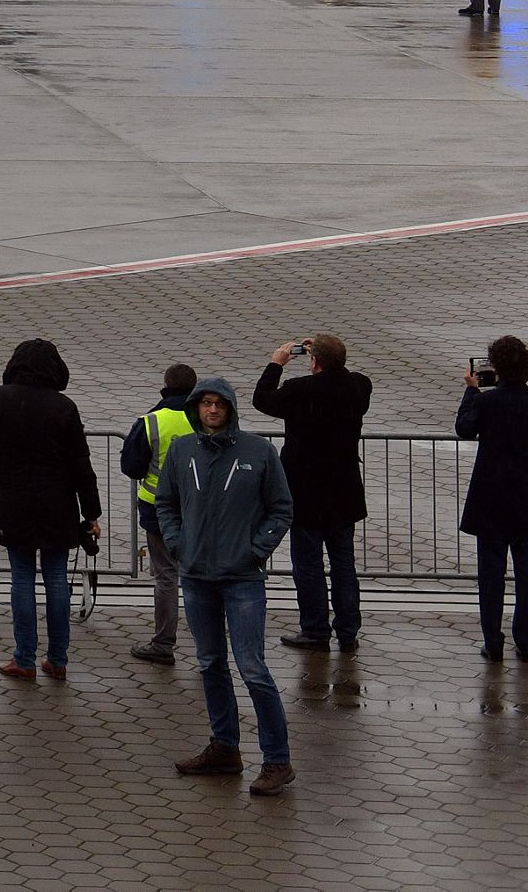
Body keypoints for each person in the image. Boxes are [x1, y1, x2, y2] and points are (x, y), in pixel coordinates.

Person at [155, 374, 294, 795]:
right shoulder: (182, 451)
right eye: (205, 403)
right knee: (210, 663)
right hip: (196, 576)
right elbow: (166, 502)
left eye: (219, 404)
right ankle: (224, 747)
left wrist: (257, 550)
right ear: (196, 408)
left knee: (252, 667)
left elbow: (281, 508)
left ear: (231, 409)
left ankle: (277, 760)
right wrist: (178, 543)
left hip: (242, 579)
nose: (212, 410)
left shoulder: (259, 452)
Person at [0, 338, 99, 681]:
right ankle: (57, 659)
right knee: (55, 579)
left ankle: (23, 659)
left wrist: (3, 475)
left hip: (14, 501)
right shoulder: (64, 407)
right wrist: (92, 513)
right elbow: (81, 464)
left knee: (21, 577)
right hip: (59, 504)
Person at [254, 334, 373, 651]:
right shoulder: (359, 387)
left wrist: (276, 364)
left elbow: (262, 399)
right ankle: (348, 632)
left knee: (308, 564)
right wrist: (324, 351)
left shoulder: (299, 390)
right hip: (344, 491)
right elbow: (346, 376)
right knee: (343, 564)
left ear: (314, 361)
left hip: (305, 490)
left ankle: (316, 630)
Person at [455, 334, 528, 664]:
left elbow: (465, 429)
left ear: (494, 367)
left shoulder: (486, 402)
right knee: (525, 574)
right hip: (526, 493)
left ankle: (492, 641)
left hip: (491, 494)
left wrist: (472, 390)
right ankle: (527, 642)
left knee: (491, 574)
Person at [120, 362, 199, 663]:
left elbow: (131, 467)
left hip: (159, 509)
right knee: (201, 575)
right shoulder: (206, 417)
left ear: (165, 385)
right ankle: (209, 644)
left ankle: (163, 644)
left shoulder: (151, 421)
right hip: (201, 509)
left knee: (167, 576)